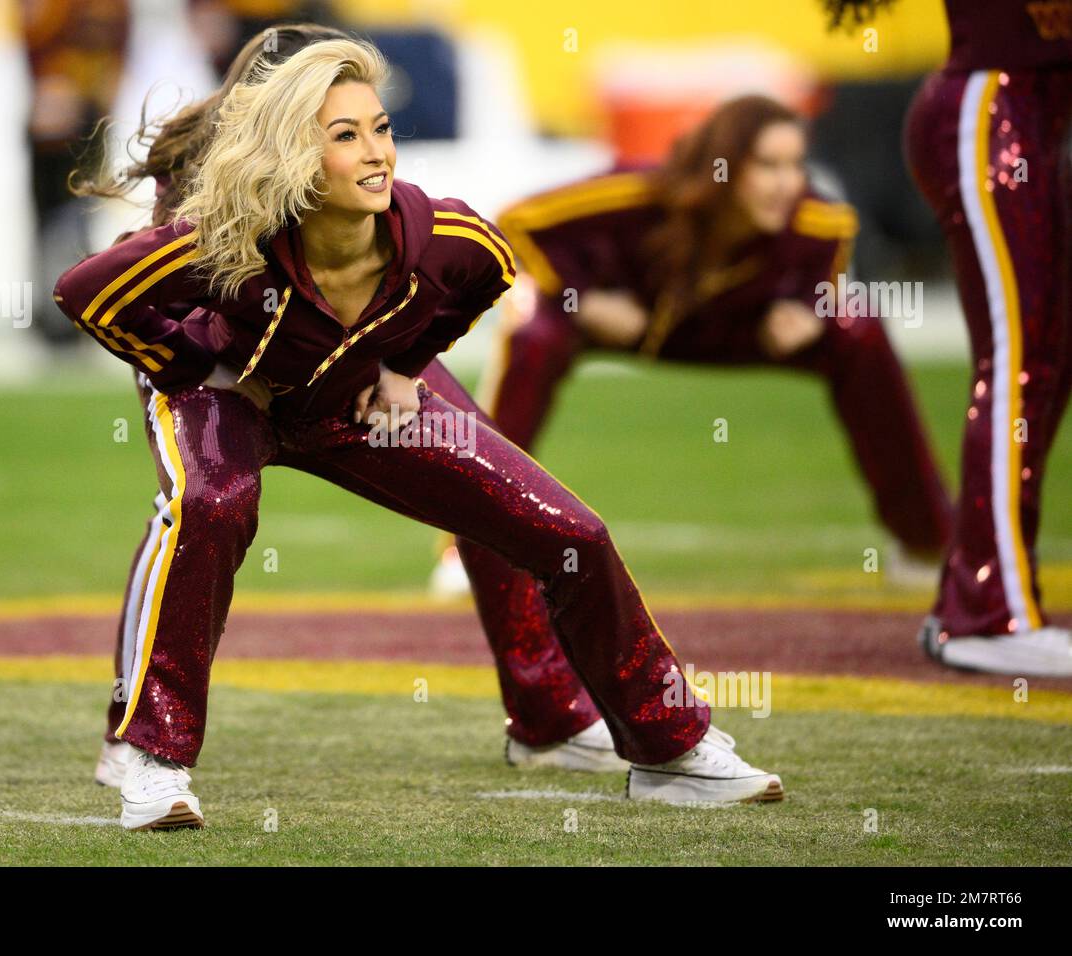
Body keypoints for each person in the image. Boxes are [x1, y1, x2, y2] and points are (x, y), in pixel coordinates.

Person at [55, 38, 784, 830]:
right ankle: (152, 758)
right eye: (345, 134)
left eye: (382, 127)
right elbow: (87, 292)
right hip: (233, 392)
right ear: (286, 148)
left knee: (565, 528)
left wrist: (405, 360)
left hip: (357, 396)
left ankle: (665, 746)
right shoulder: (219, 229)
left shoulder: (438, 233)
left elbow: (490, 270)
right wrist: (196, 361)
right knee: (210, 503)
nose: (376, 153)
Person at [430, 94, 953, 596]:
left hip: (730, 334)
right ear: (722, 165)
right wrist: (579, 300)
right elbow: (514, 222)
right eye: (766, 166)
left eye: (795, 165)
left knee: (858, 329)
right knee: (532, 333)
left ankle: (926, 545)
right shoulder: (633, 194)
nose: (786, 184)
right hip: (614, 321)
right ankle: (469, 549)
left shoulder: (822, 221)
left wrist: (811, 312)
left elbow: (826, 281)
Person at [897, 0, 1072, 675]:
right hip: (993, 110)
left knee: (1049, 356)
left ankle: (975, 595)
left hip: (1037, 112)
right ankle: (989, 611)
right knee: (1022, 358)